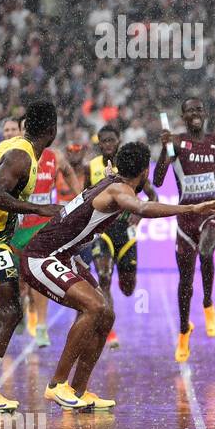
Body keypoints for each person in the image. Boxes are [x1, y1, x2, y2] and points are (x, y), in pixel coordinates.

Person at [22, 142, 215, 409]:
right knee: (93, 307)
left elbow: (118, 187)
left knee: (106, 314)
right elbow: (141, 208)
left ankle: (79, 390)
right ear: (144, 171)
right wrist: (191, 209)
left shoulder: (113, 180)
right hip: (41, 256)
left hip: (62, 256)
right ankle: (56, 385)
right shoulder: (119, 189)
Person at [0, 100, 61, 411]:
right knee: (9, 312)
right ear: (52, 131)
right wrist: (36, 208)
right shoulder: (22, 156)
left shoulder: (10, 145)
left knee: (4, 311)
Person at [155, 97, 215, 363]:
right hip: (185, 218)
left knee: (207, 247)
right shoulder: (176, 143)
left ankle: (208, 304)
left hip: (211, 211)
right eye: (189, 110)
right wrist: (163, 150)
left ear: (204, 113)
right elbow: (158, 180)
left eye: (198, 109)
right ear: (182, 116)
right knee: (185, 283)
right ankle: (184, 331)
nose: (194, 113)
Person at [87, 125, 158, 349]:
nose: (108, 144)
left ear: (118, 141)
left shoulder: (129, 165)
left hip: (125, 231)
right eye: (103, 141)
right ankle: (108, 330)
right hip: (102, 230)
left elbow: (152, 194)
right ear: (99, 144)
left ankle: (122, 275)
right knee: (104, 276)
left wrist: (138, 216)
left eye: (111, 140)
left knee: (128, 288)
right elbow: (85, 197)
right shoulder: (90, 167)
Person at [10, 123, 80, 348]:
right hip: (18, 225)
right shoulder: (14, 154)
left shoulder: (54, 156)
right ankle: (21, 305)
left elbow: (68, 172)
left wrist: (79, 199)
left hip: (42, 225)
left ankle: (41, 327)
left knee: (37, 275)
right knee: (20, 279)